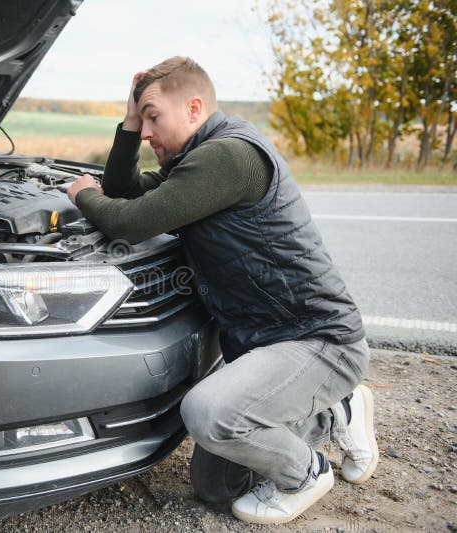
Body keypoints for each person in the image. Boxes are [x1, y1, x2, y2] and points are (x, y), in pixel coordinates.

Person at [66, 56, 378, 524]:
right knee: (218, 487)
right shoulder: (194, 160)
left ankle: (306, 474)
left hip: (318, 340)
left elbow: (128, 220)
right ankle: (337, 413)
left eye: (153, 117)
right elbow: (123, 191)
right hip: (265, 344)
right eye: (142, 120)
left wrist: (82, 194)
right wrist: (129, 120)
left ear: (194, 108)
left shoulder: (228, 156)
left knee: (210, 415)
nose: (146, 133)